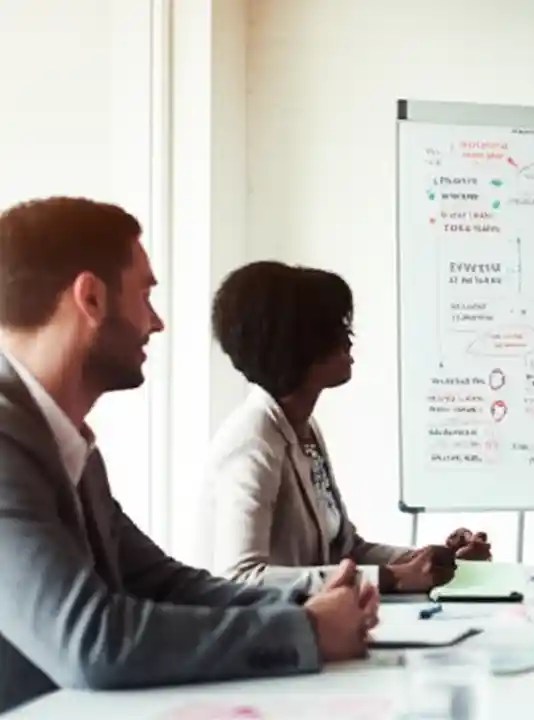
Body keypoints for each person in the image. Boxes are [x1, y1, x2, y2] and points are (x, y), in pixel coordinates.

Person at [0, 197, 377, 712]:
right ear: (90, 298)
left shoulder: (66, 443)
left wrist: (303, 603)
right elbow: (93, 640)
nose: (156, 323)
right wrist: (307, 629)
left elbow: (163, 582)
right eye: (145, 295)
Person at [207, 261, 492, 595]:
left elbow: (345, 550)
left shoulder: (304, 428)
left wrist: (433, 561)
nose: (349, 339)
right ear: (298, 344)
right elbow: (240, 578)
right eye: (336, 328)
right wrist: (392, 578)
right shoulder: (252, 443)